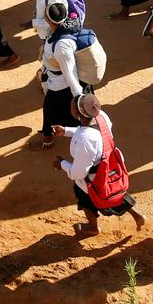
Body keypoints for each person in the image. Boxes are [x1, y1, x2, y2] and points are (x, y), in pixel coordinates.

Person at [52, 93, 145, 236]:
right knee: (116, 191)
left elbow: (78, 173)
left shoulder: (84, 140)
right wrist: (65, 131)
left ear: (77, 112)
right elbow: (89, 130)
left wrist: (62, 164)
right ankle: (137, 215)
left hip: (96, 176)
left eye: (71, 106)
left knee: (84, 196)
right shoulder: (101, 116)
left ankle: (93, 227)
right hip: (112, 164)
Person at [33, 0, 88, 150]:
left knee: (50, 108)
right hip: (57, 80)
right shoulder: (58, 30)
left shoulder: (62, 46)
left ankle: (48, 138)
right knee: (64, 112)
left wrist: (78, 96)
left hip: (61, 84)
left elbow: (70, 72)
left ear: (49, 19)